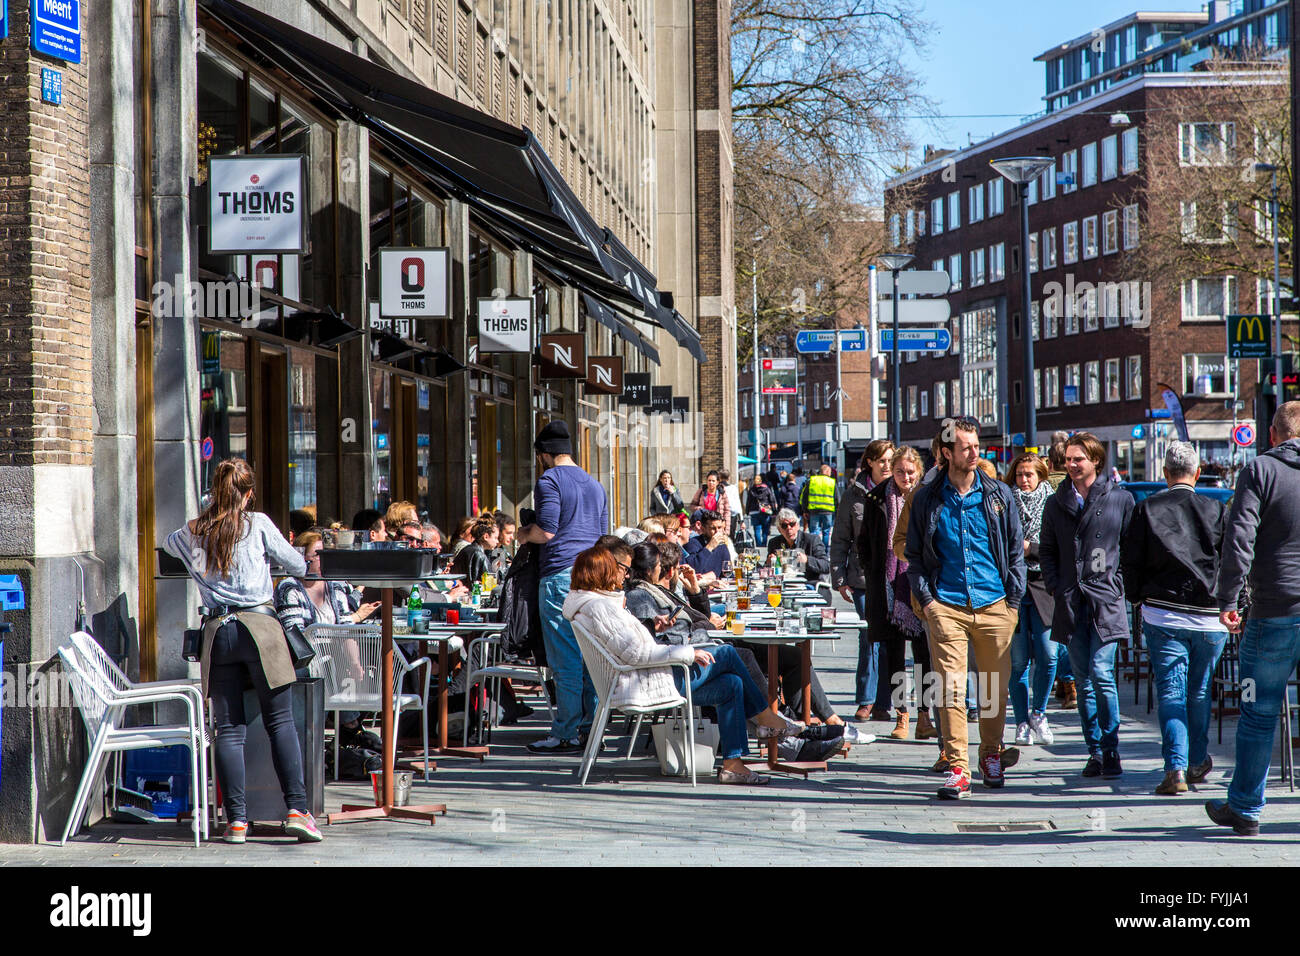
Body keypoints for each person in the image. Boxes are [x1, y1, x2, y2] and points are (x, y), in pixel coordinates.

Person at [163, 458, 322, 844]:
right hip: (261, 629)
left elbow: (170, 546)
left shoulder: (193, 532)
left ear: (216, 492)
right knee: (279, 723)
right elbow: (299, 565)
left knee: (228, 731)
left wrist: (207, 551)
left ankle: (236, 821)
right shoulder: (259, 525)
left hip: (219, 633)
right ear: (248, 494)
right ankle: (298, 811)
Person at [562, 546, 804, 784]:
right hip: (644, 682)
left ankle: (733, 764)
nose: (624, 574)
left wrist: (653, 626)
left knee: (732, 684)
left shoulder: (597, 604)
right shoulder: (600, 607)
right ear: (602, 573)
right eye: (617, 569)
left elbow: (630, 647)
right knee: (728, 654)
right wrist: (688, 653)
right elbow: (636, 654)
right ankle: (767, 720)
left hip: (645, 677)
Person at [904, 417, 1026, 799]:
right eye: (966, 448)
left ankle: (991, 754)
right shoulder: (926, 498)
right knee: (951, 688)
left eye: (978, 447)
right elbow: (914, 556)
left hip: (995, 604)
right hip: (947, 605)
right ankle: (958, 766)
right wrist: (929, 602)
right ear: (946, 452)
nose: (976, 454)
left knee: (993, 688)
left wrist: (1013, 603)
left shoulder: (998, 495)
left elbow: (1014, 551)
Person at [1206, 401, 1300, 835]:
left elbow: (1239, 536)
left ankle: (1245, 807)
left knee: (1256, 710)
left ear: (1273, 435)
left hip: (1273, 611)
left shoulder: (1260, 471)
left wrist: (1229, 597)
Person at [1119, 442, 1229, 796]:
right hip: (1209, 615)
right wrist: (1234, 603)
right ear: (1197, 474)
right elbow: (1233, 559)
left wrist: (1137, 598)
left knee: (1171, 691)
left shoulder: (1146, 509)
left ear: (1165, 474)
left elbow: (1130, 562)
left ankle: (1176, 768)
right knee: (1199, 691)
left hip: (1163, 611)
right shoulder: (1216, 509)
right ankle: (1197, 759)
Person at [1040, 432, 1135, 781]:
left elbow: (1129, 549)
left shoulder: (1119, 499)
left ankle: (1111, 748)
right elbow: (1047, 549)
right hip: (1070, 600)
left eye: (1078, 458)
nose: (1072, 464)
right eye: (1068, 459)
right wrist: (1055, 584)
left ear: (1095, 460)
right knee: (1083, 679)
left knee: (1101, 672)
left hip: (1105, 600)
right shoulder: (1056, 502)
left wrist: (1118, 583)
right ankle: (1094, 751)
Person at [516, 421, 607, 754]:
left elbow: (548, 532)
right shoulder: (595, 485)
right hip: (592, 577)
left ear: (544, 454)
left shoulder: (549, 479)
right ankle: (590, 728)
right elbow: (603, 537)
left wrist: (524, 533)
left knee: (565, 658)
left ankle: (565, 732)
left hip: (559, 577)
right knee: (589, 656)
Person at [859, 447, 933, 741]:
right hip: (888, 587)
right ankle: (902, 715)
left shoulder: (928, 496)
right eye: (899, 471)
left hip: (920, 585)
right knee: (894, 655)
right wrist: (874, 572)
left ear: (919, 470)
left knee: (924, 655)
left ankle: (924, 716)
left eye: (910, 471)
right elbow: (863, 541)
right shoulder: (877, 497)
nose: (905, 476)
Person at [832, 440, 893, 720]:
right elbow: (841, 538)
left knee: (893, 641)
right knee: (870, 636)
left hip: (896, 577)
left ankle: (889, 702)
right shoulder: (854, 494)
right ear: (869, 462)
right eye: (881, 460)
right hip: (862, 577)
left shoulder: (901, 490)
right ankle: (867, 699)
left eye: (890, 459)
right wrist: (839, 577)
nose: (887, 465)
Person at [1006, 453, 1058, 747]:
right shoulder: (1005, 502)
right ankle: (1022, 721)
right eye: (1019, 474)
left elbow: (1058, 545)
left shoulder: (1053, 504)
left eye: (1029, 475)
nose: (1023, 480)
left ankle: (1039, 713)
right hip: (1013, 586)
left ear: (1041, 476)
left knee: (1049, 655)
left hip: (1043, 586)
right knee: (1018, 661)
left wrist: (1030, 549)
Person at [767, 508, 831, 584]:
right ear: (779, 529)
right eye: (784, 526)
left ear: (797, 525)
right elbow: (768, 568)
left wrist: (807, 560)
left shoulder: (812, 540)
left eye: (792, 524)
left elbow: (826, 566)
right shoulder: (774, 543)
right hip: (783, 583)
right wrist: (769, 562)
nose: (789, 528)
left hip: (808, 584)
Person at [450, 514, 500, 585]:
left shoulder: (468, 549)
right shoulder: (479, 554)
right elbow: (489, 584)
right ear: (486, 536)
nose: (497, 541)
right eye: (495, 538)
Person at [683, 509, 730, 581]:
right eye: (713, 528)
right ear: (703, 529)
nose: (717, 532)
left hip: (718, 588)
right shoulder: (693, 543)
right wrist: (710, 547)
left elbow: (727, 573)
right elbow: (693, 569)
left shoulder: (722, 546)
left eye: (719, 528)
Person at [800, 464, 839, 551]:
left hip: (814, 510)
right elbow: (837, 498)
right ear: (828, 472)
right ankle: (824, 551)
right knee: (826, 532)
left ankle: (815, 549)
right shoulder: (832, 482)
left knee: (814, 531)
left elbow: (805, 497)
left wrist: (805, 510)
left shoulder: (812, 481)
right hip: (828, 511)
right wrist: (838, 511)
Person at [745, 472, 778, 548]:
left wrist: (747, 511)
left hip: (754, 511)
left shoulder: (752, 490)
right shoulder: (766, 489)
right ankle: (764, 543)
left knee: (757, 528)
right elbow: (772, 499)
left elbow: (748, 501)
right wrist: (774, 510)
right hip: (765, 510)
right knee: (765, 528)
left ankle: (758, 544)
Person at [718, 469, 744, 541]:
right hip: (733, 515)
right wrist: (741, 520)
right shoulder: (733, 488)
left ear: (719, 477)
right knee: (731, 537)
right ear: (728, 477)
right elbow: (738, 504)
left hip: (721, 515)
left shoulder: (718, 488)